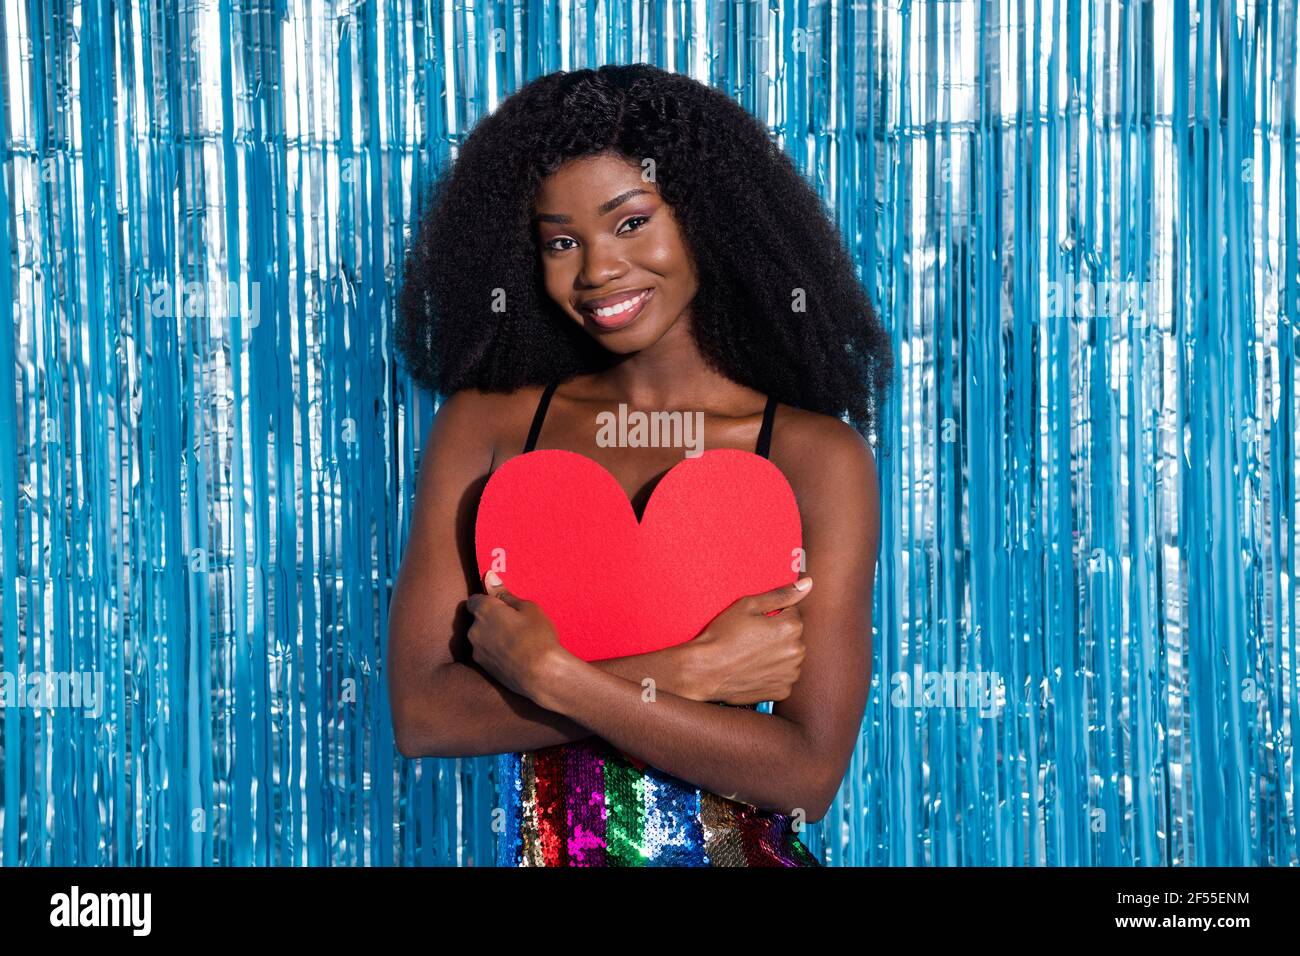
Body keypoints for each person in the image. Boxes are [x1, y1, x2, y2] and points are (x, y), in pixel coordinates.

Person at [387, 63, 891, 866]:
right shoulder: (488, 427)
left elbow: (806, 775)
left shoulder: (812, 457)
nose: (595, 271)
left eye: (630, 223)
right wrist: (693, 668)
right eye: (561, 241)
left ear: (705, 219)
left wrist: (552, 675)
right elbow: (424, 714)